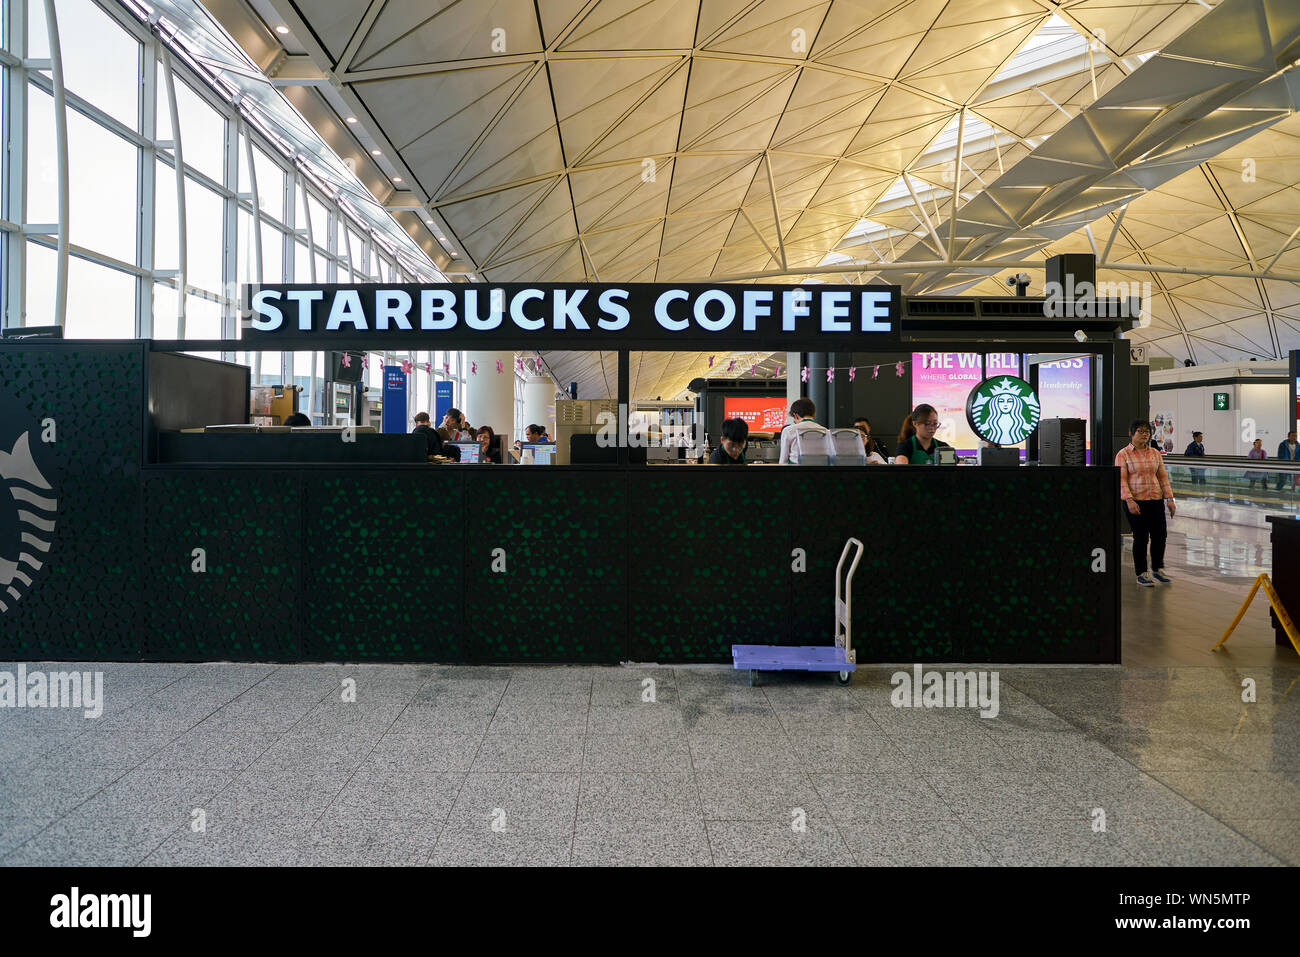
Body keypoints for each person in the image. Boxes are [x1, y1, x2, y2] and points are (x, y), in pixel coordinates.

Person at [1117, 419, 1175, 586]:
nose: (1144, 435)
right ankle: (1142, 573)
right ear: (1131, 433)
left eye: (1147, 432)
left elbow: (1163, 477)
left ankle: (1157, 569)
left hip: (1155, 500)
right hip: (1135, 502)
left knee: (1160, 535)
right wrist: (1129, 500)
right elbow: (1122, 480)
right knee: (1141, 538)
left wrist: (1169, 499)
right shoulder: (1123, 454)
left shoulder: (1155, 453)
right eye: (1140, 431)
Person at [778, 397, 830, 464]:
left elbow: (783, 460)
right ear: (814, 414)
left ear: (795, 415)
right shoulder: (825, 431)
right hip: (820, 471)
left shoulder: (788, 430)